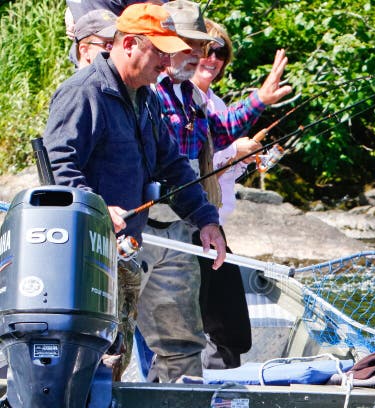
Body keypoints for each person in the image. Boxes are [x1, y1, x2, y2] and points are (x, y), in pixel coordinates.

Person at [43, 3, 227, 382]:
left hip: (129, 251)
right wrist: (94, 206)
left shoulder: (146, 98)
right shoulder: (83, 93)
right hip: (87, 257)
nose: (167, 62)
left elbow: (173, 167)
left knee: (119, 355)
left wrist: (206, 220)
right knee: (92, 357)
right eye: (159, 52)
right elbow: (60, 164)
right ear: (129, 44)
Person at [143, 0, 290, 372]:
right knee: (136, 319)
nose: (197, 56)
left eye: (203, 48)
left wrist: (259, 101)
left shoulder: (188, 94)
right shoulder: (152, 91)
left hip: (189, 218)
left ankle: (181, 385)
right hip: (150, 223)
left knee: (200, 319)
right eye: (188, 47)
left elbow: (216, 132)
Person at [189, 19, 263, 369]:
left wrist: (243, 159)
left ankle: (221, 375)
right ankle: (203, 377)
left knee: (230, 317)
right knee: (217, 313)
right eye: (206, 50)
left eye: (220, 52)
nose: (212, 58)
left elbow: (222, 172)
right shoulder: (178, 98)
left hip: (213, 223)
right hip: (188, 225)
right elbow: (190, 161)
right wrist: (234, 152)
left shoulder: (216, 103)